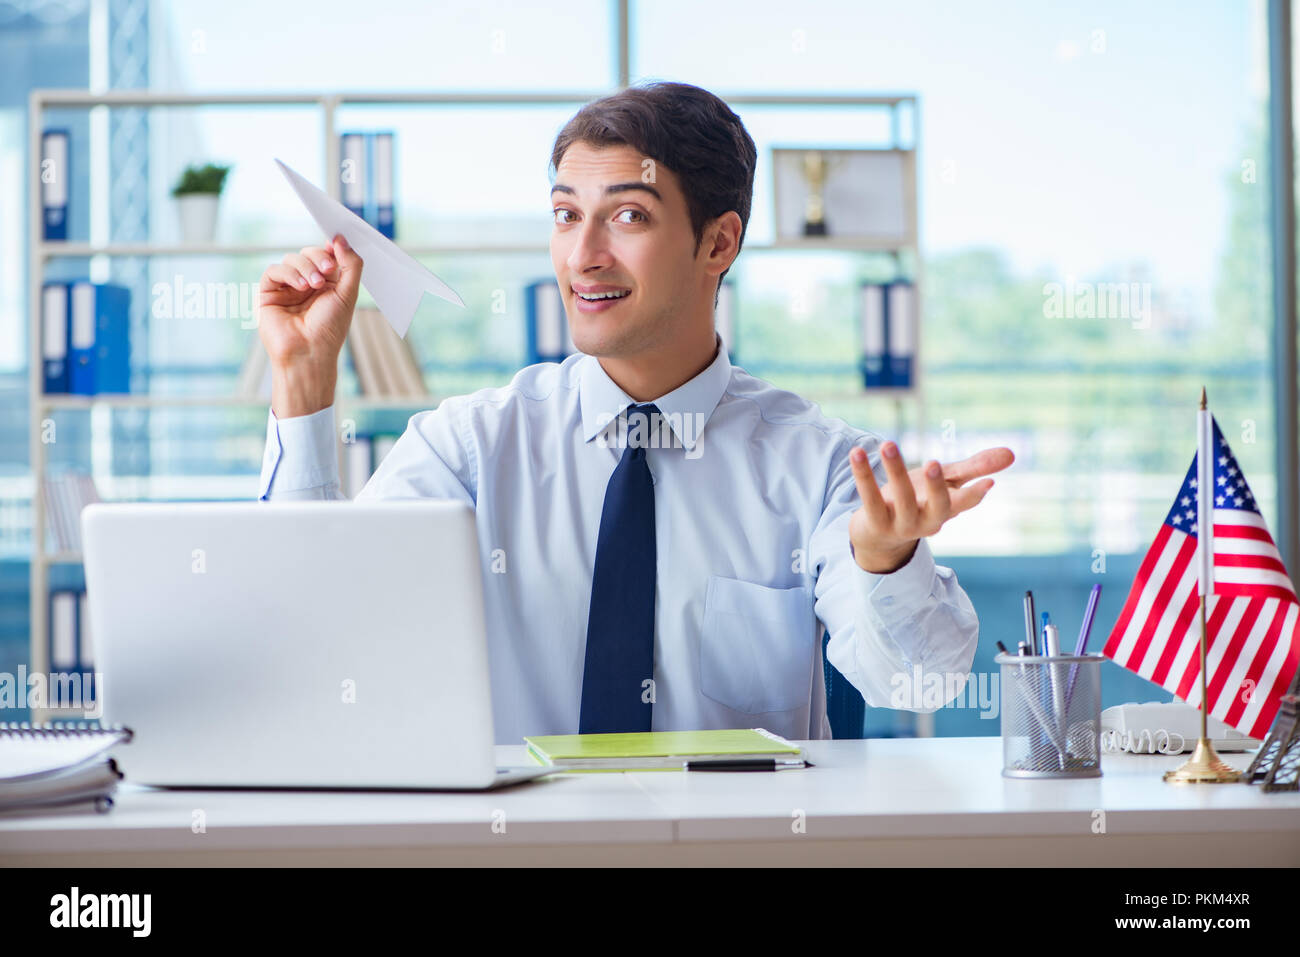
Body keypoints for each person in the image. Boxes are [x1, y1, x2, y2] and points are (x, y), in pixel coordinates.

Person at [255, 81, 1013, 743]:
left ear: (718, 242)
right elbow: (325, 641)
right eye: (564, 214)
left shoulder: (820, 467)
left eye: (626, 218)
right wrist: (301, 381)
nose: (582, 255)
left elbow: (919, 686)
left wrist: (886, 561)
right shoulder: (471, 449)